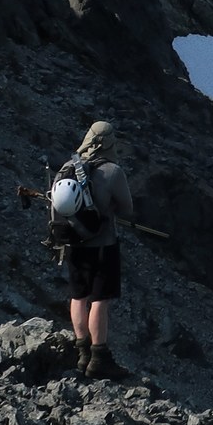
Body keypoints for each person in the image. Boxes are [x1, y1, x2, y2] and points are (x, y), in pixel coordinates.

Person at [63, 120, 136, 379]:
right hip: (103, 244)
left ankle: (81, 352)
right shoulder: (112, 171)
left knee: (78, 296)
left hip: (73, 243)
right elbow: (127, 207)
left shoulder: (68, 167)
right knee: (99, 301)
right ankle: (98, 357)